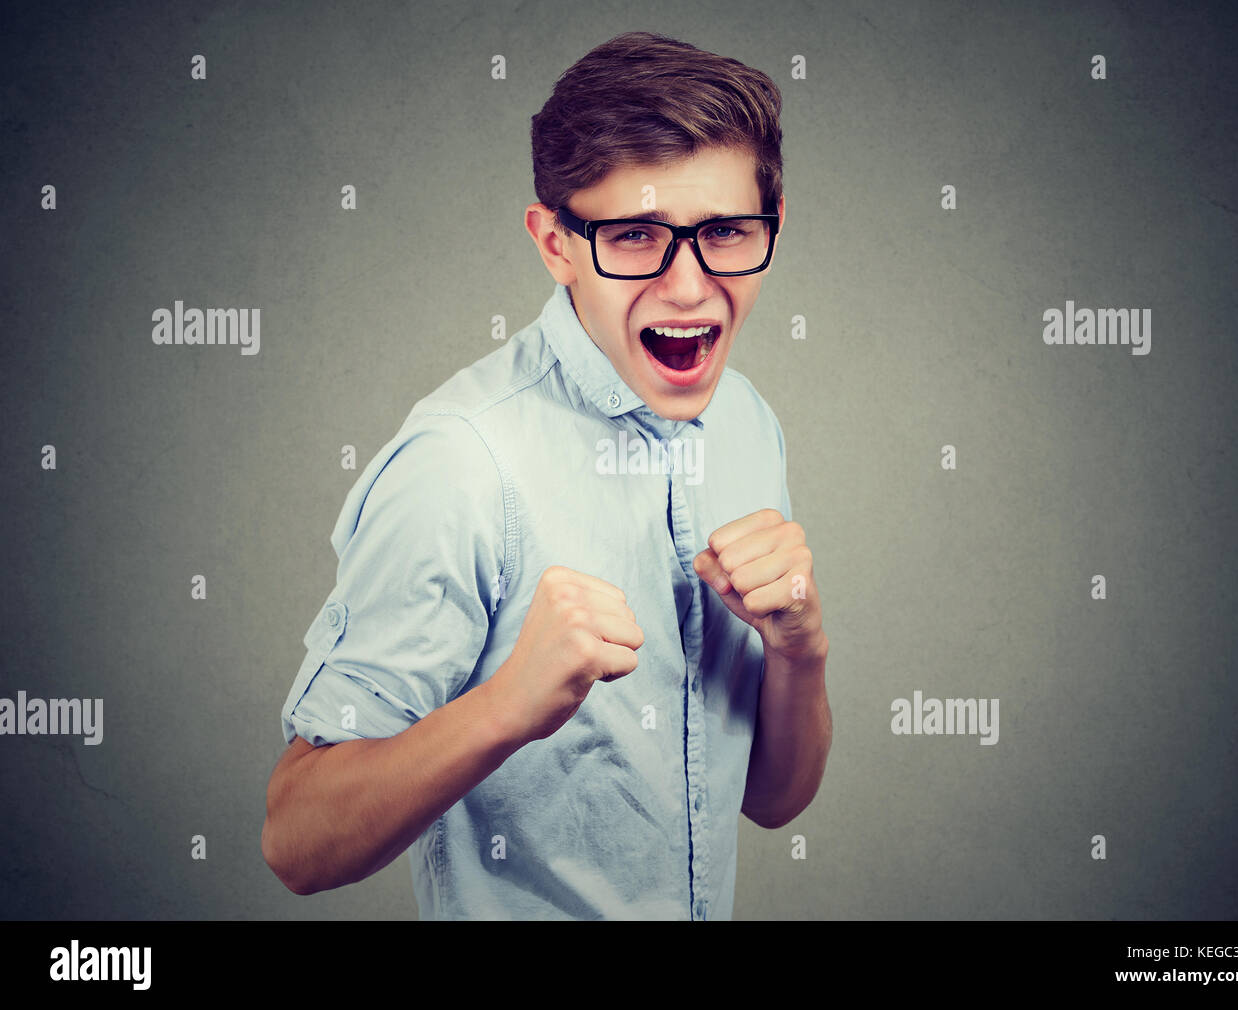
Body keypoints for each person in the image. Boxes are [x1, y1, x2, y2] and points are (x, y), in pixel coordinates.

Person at [260, 30, 831, 920]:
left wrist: (801, 651)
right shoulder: (460, 464)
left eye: (724, 232)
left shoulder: (748, 422)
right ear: (555, 243)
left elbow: (772, 801)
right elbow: (296, 840)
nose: (689, 287)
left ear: (773, 226)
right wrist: (502, 708)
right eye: (636, 236)